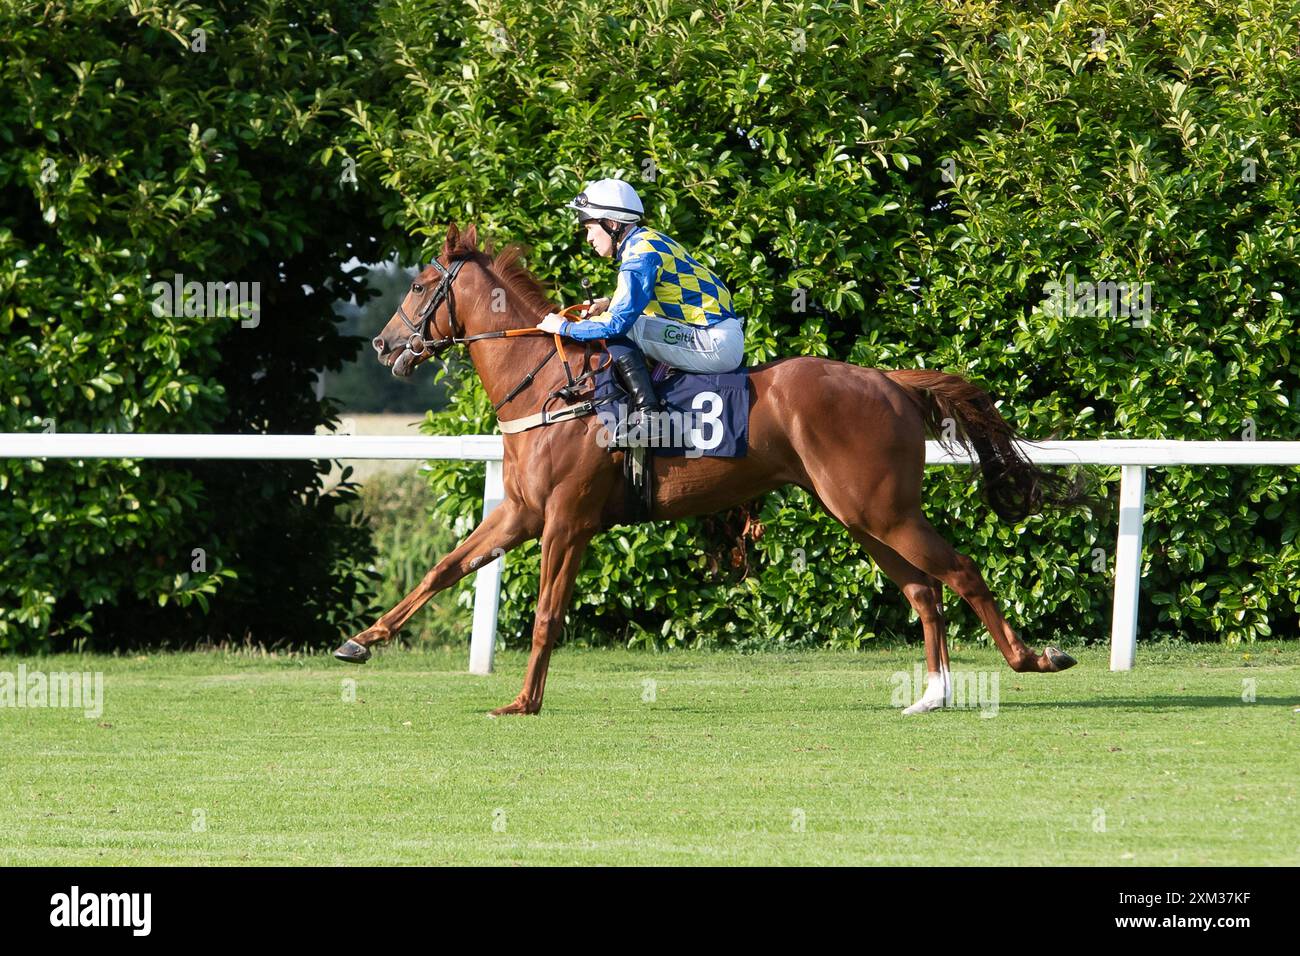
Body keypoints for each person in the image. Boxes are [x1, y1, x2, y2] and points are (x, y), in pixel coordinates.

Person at [536, 178, 745, 432]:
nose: (588, 238)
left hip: (715, 343)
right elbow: (665, 298)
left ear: (611, 224)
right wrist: (610, 302)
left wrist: (565, 327)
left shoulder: (639, 255)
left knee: (623, 329)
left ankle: (649, 415)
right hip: (714, 335)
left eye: (590, 228)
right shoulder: (648, 240)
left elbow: (616, 324)